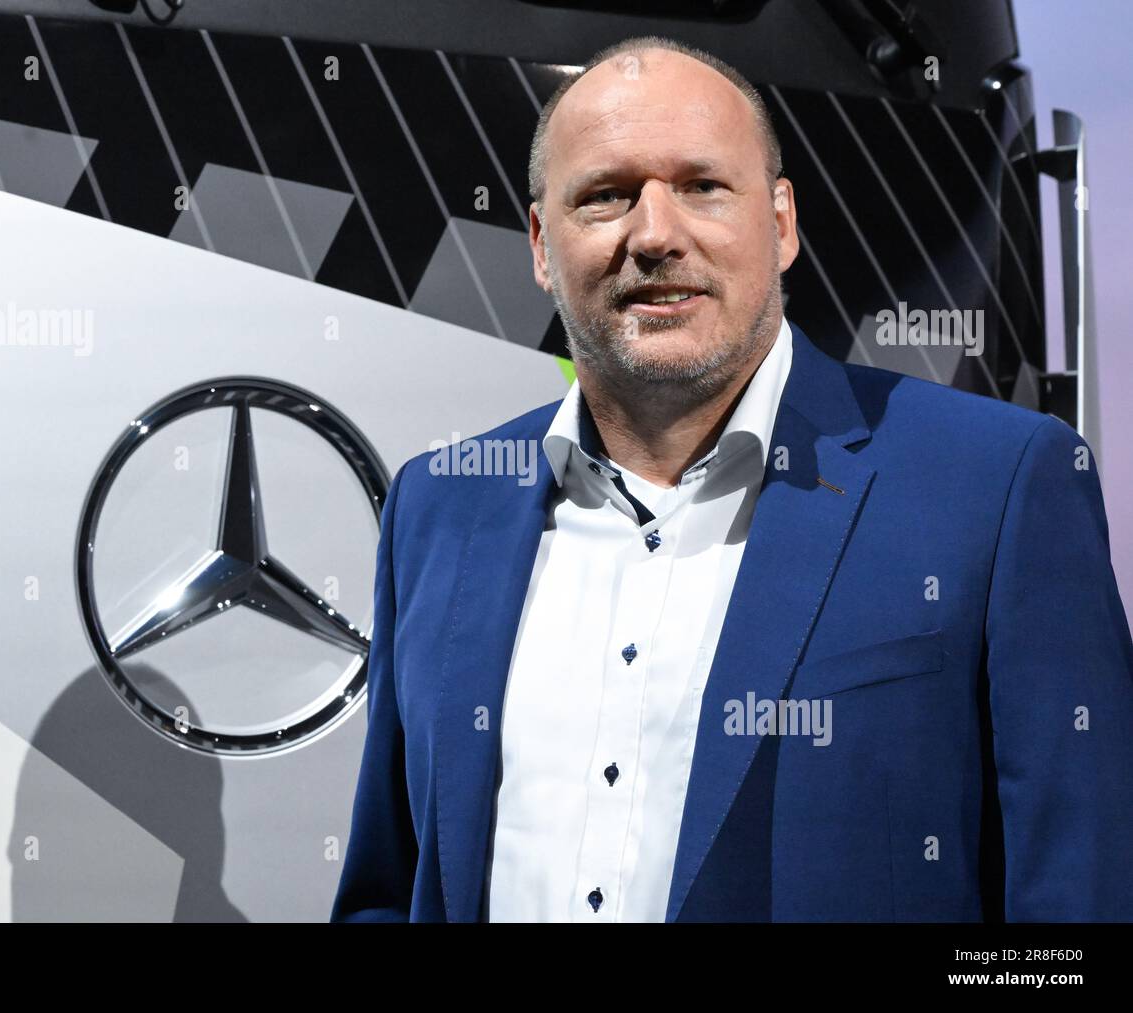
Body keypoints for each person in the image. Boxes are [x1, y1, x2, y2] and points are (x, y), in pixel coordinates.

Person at [331, 35, 1133, 922]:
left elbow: (1078, 908)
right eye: (605, 196)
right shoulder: (440, 506)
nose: (654, 233)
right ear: (540, 245)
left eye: (702, 187)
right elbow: (387, 887)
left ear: (782, 224)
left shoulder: (1001, 483)